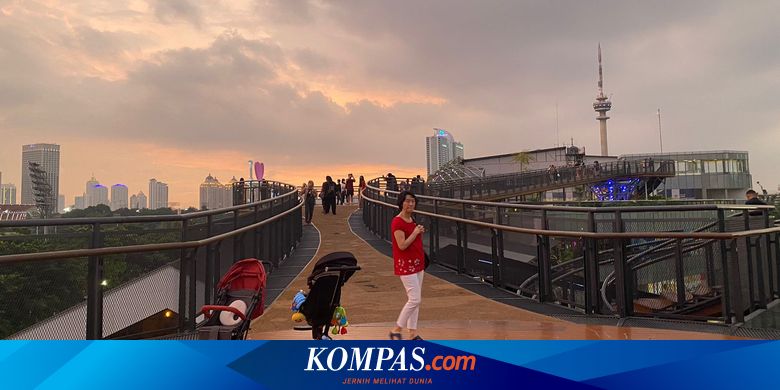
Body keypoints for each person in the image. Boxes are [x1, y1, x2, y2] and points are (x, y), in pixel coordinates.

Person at [389, 191, 426, 341]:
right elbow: (402, 245)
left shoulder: (412, 219)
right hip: (406, 265)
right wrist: (415, 233)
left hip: (418, 263)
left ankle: (412, 333)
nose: (411, 204)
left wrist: (418, 231)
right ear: (401, 203)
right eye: (407, 201)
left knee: (415, 299)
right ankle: (396, 329)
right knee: (415, 299)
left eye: (413, 201)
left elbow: (413, 240)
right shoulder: (397, 222)